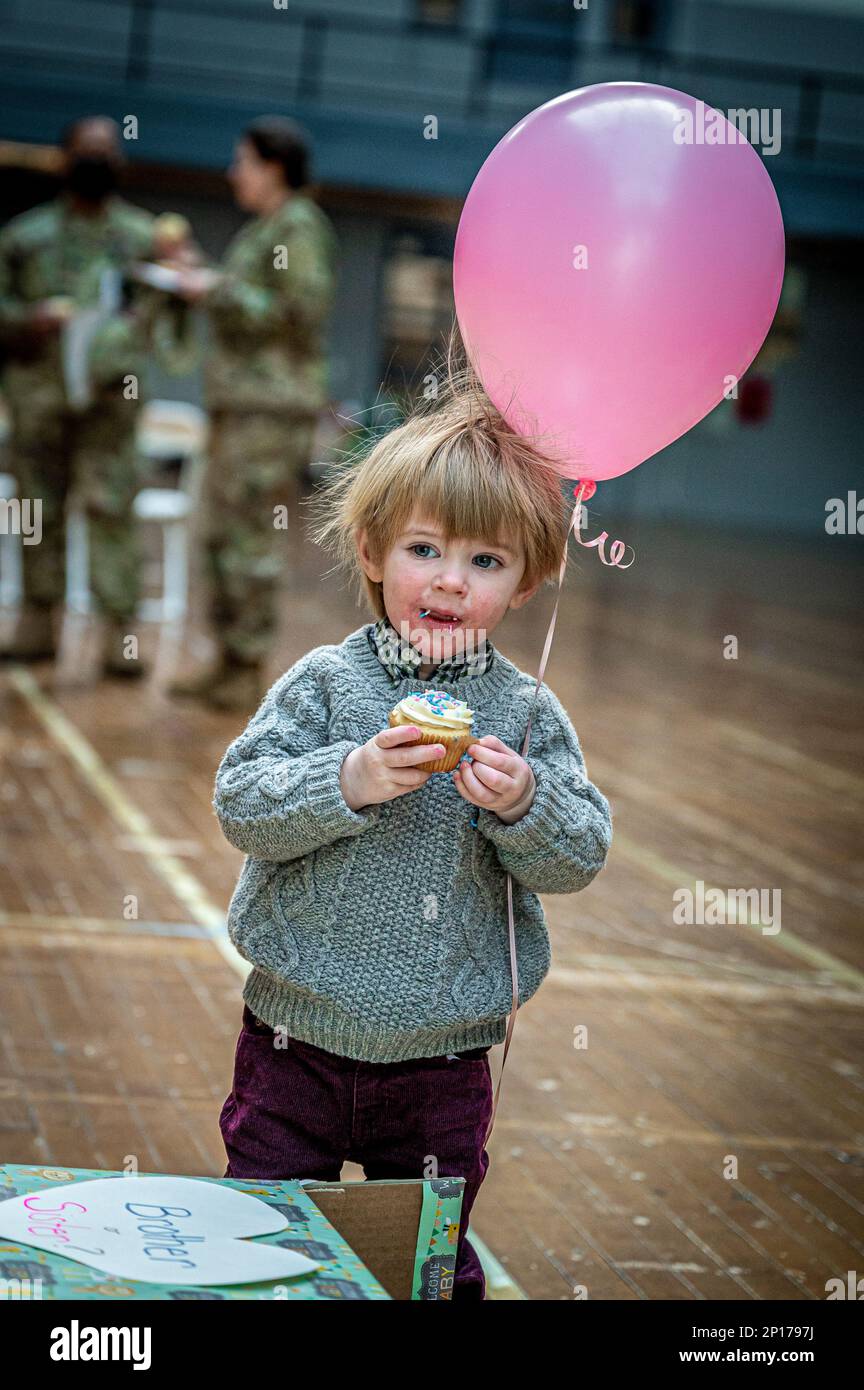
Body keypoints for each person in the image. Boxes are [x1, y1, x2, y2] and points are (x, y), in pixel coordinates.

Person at [212, 337, 614, 1300]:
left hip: (441, 1066)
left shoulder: (525, 715)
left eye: (484, 561)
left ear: (522, 584)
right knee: (261, 1246)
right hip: (290, 1045)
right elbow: (241, 803)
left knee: (426, 1269)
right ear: (372, 551)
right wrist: (346, 779)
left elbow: (581, 853)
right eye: (424, 549)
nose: (447, 580)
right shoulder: (326, 684)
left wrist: (523, 803)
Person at [0, 116, 196, 675]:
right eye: (86, 151)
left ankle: (119, 636)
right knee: (35, 507)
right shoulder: (23, 236)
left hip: (112, 399)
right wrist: (28, 319)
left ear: (121, 164)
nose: (96, 160)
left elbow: (171, 304)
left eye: (107, 152)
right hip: (39, 395)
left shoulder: (142, 237)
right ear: (63, 158)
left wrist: (177, 269)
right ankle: (38, 622)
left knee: (113, 507)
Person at [169, 116, 338, 711]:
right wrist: (204, 275)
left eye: (242, 162)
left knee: (248, 539)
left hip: (269, 409)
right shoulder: (268, 228)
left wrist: (211, 289)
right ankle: (226, 657)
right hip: (241, 405)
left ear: (273, 166)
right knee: (220, 534)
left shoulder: (299, 226)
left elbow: (301, 308)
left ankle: (246, 665)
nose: (232, 173)